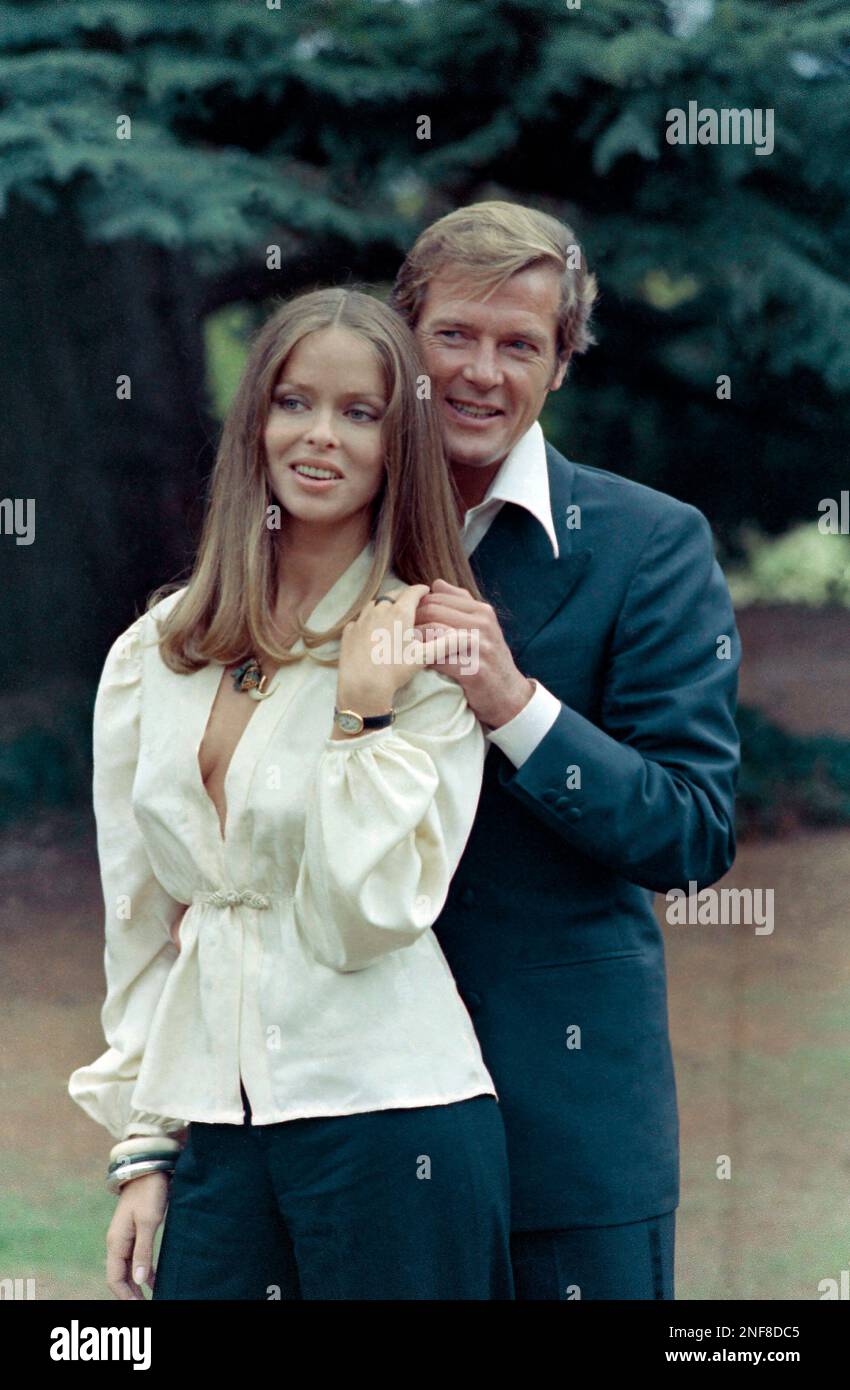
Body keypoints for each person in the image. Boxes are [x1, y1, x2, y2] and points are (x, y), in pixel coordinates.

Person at [67, 287, 514, 1301]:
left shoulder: (431, 646)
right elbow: (139, 920)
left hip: (396, 1123)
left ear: (399, 443)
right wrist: (145, 1143)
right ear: (253, 423)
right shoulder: (155, 652)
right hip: (218, 1129)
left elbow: (369, 914)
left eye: (360, 413)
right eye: (294, 402)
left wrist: (361, 714)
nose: (321, 437)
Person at [389, 200, 742, 1300]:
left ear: (560, 367)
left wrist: (513, 704)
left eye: (519, 344)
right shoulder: (317, 531)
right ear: (405, 339)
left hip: (571, 1135)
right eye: (454, 335)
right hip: (345, 1124)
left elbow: (692, 827)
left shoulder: (649, 544)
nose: (481, 372)